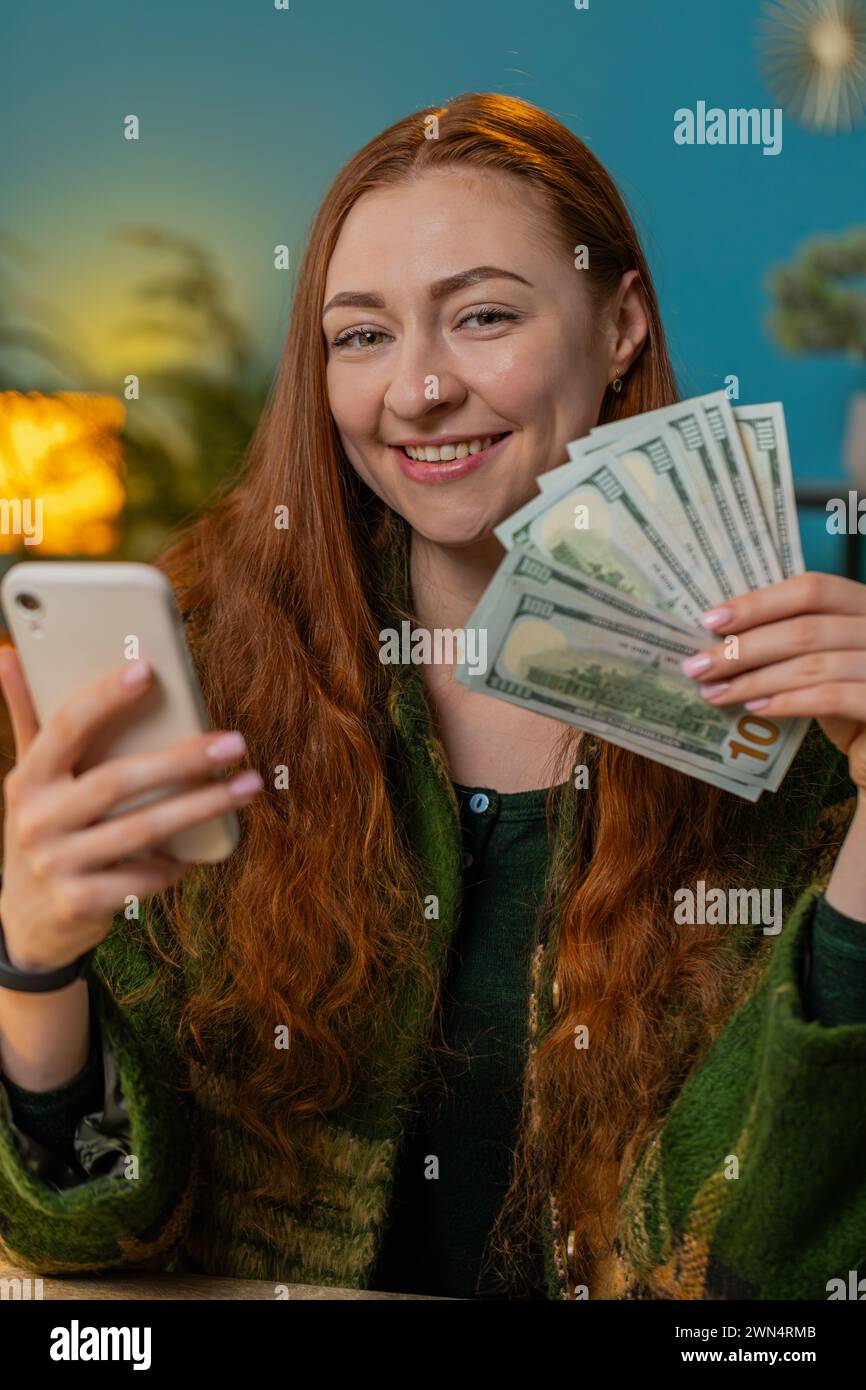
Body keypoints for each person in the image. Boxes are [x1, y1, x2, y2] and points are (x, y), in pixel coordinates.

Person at [1, 93, 865, 1302]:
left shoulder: (803, 735)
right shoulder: (203, 686)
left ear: (619, 325)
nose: (416, 390)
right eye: (360, 336)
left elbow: (773, 1274)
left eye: (482, 317)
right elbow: (92, 1238)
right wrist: (34, 963)